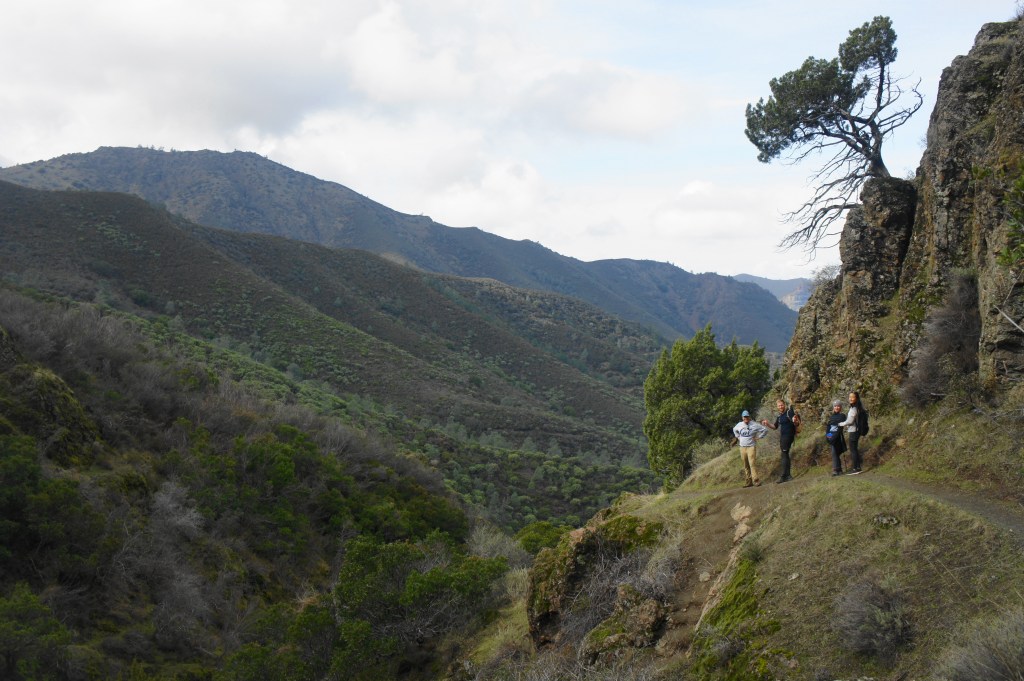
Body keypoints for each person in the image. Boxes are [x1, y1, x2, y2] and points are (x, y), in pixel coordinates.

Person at [762, 399, 801, 483]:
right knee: (785, 454)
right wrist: (767, 424)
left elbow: (796, 422)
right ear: (777, 407)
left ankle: (784, 476)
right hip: (783, 437)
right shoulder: (779, 416)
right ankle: (788, 476)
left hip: (788, 436)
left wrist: (794, 420)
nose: (780, 407)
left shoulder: (789, 412)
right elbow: (775, 427)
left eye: (782, 405)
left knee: (784, 454)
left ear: (784, 405)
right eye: (779, 406)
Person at [733, 410, 769, 487]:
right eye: (744, 417)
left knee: (752, 464)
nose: (746, 418)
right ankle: (748, 482)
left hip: (751, 447)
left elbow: (765, 430)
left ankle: (756, 480)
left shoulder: (754, 425)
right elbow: (734, 429)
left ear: (749, 417)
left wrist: (759, 437)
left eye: (747, 416)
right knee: (746, 465)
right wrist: (738, 437)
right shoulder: (739, 425)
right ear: (742, 417)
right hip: (742, 447)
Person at [837, 391, 864, 474]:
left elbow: (850, 421)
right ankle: (858, 467)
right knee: (854, 449)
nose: (850, 399)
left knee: (853, 450)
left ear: (856, 398)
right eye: (850, 397)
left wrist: (840, 424)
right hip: (856, 430)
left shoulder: (854, 408)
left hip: (853, 431)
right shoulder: (857, 407)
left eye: (853, 397)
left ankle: (856, 468)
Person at [826, 399, 847, 476]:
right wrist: (829, 437)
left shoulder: (842, 416)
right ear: (833, 407)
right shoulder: (831, 417)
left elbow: (840, 428)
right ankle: (839, 470)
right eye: (835, 406)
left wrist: (833, 437)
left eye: (838, 406)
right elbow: (828, 428)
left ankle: (835, 470)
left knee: (835, 453)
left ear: (840, 407)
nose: (837, 407)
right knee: (835, 453)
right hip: (831, 437)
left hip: (838, 437)